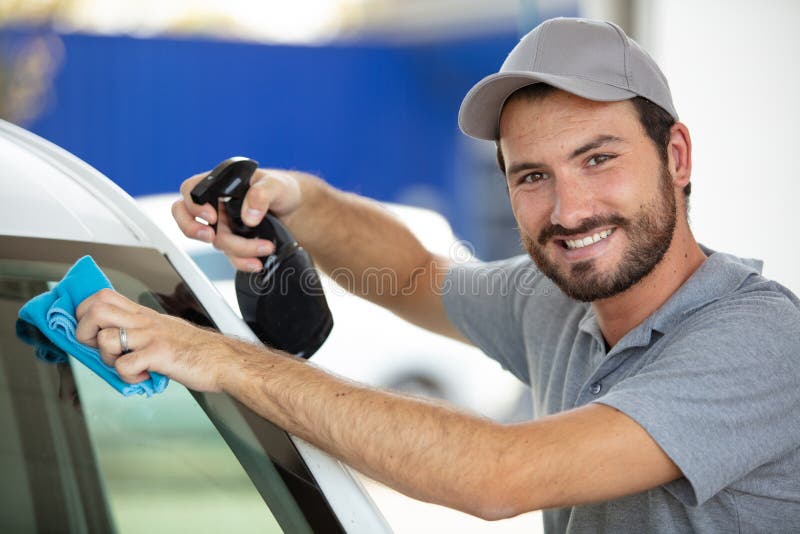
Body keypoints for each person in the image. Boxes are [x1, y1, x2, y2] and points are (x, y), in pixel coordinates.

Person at [75, 17, 800, 532]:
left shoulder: (760, 340)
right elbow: (414, 273)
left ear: (676, 156)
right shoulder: (553, 299)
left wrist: (223, 358)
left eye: (599, 159)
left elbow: (500, 476)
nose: (569, 209)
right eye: (532, 176)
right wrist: (295, 198)